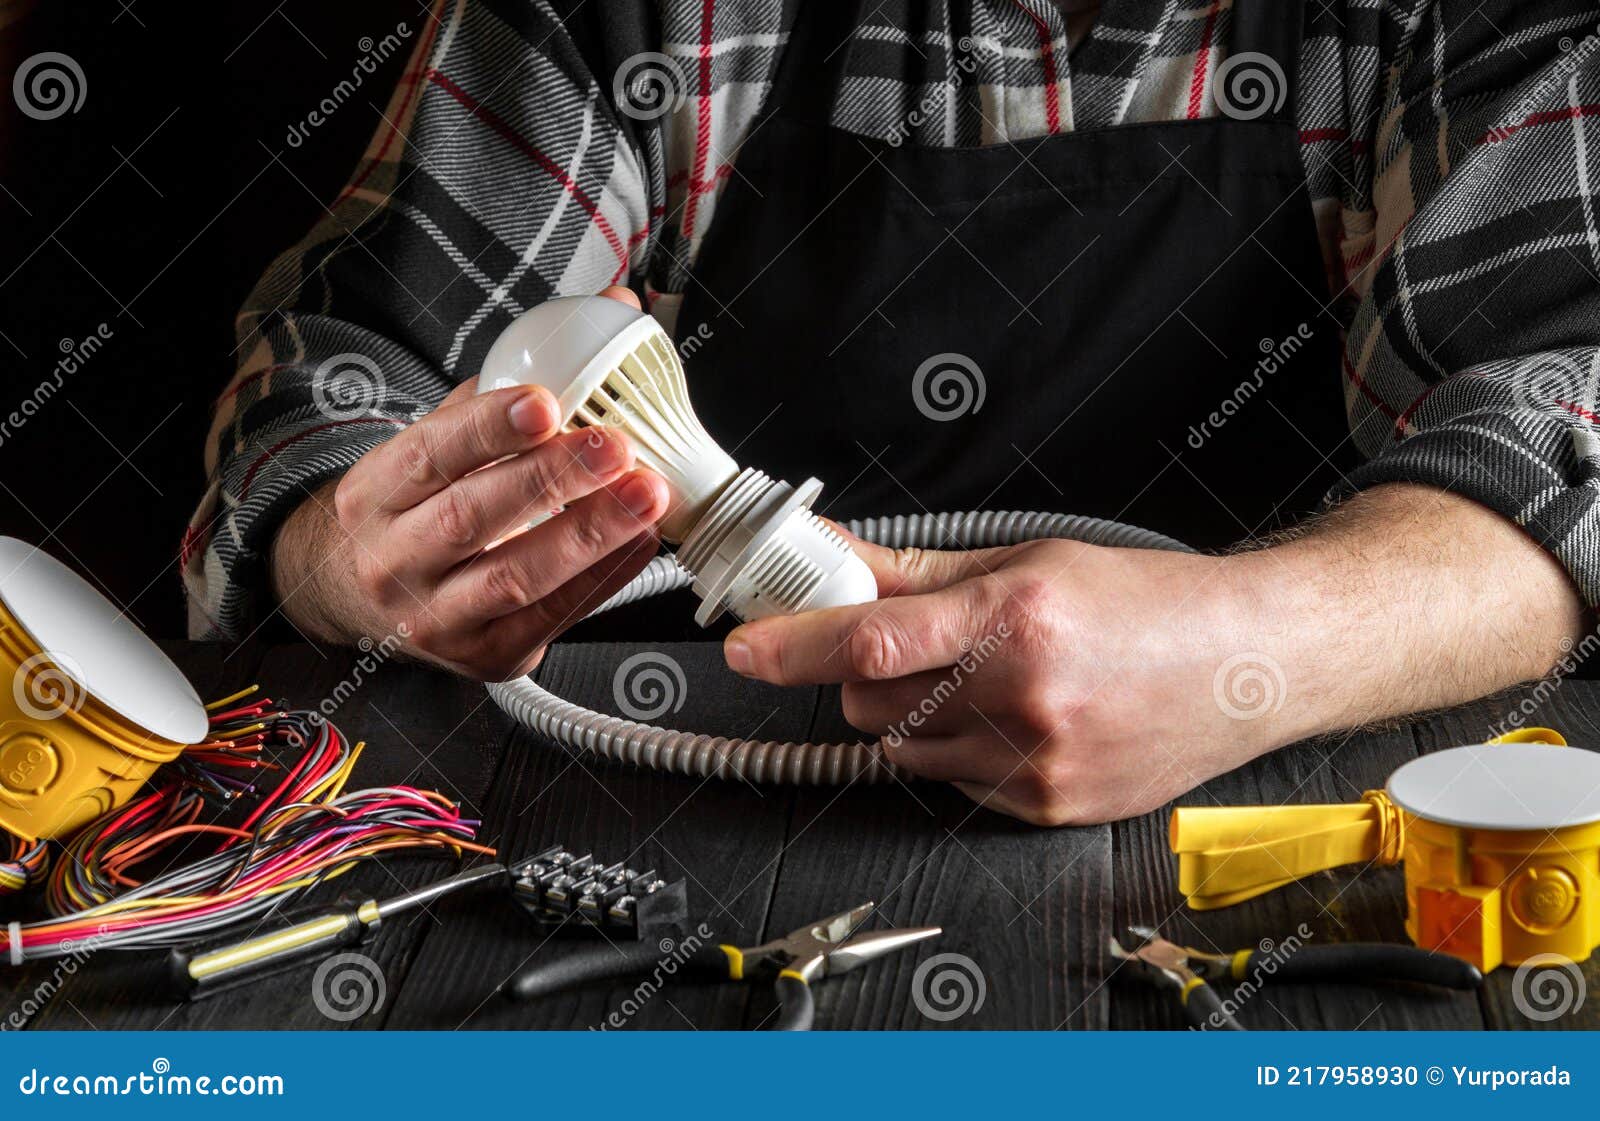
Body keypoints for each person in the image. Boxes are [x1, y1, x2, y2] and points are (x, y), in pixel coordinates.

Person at [188, 1, 1599, 824]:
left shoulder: (1454, 21)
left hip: (1290, 837)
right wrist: (350, 559)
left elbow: (1563, 426)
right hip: (691, 828)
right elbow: (341, 389)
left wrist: (1247, 648)